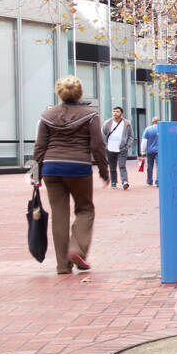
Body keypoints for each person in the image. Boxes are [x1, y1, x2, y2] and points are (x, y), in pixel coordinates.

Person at [33, 76, 109, 274]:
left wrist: (35, 176)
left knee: (59, 215)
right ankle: (76, 249)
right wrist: (104, 170)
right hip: (78, 168)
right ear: (80, 93)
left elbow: (39, 147)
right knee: (85, 209)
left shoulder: (47, 115)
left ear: (59, 92)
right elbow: (97, 146)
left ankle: (62, 266)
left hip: (51, 169)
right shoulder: (90, 115)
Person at [102, 105, 134, 189]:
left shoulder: (127, 123)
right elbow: (102, 134)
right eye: (114, 111)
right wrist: (105, 145)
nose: (115, 113)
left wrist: (127, 146)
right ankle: (113, 182)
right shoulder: (107, 123)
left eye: (117, 111)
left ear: (121, 113)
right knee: (112, 166)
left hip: (122, 148)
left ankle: (125, 182)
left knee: (122, 165)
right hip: (110, 148)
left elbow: (131, 136)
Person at [141, 117, 160, 186]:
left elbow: (144, 141)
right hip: (159, 151)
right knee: (159, 166)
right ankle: (158, 182)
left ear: (153, 122)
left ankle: (149, 180)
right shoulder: (161, 129)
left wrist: (143, 152)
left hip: (150, 150)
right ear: (159, 121)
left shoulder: (148, 129)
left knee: (150, 166)